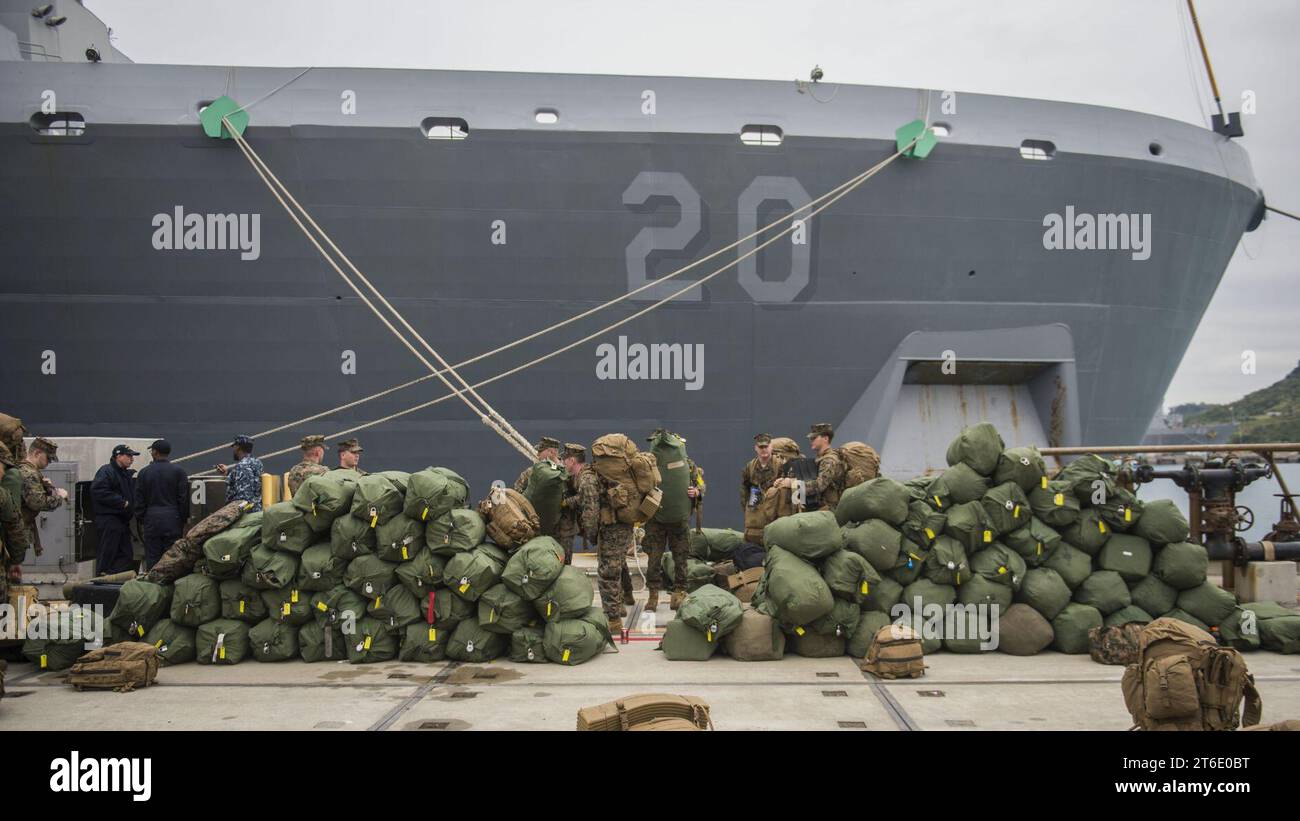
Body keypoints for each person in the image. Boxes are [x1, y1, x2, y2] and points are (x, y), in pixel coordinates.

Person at [578, 437, 637, 635]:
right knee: (619, 563)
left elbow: (590, 512)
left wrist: (592, 535)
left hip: (609, 527)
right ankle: (623, 601)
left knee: (607, 573)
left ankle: (613, 621)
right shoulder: (621, 472)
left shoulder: (590, 477)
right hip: (626, 524)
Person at [642, 429, 705, 611]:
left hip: (678, 521)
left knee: (681, 558)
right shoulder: (647, 465)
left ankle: (679, 592)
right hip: (656, 520)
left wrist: (698, 491)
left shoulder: (689, 464)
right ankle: (653, 594)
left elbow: (701, 484)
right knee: (654, 559)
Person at [133, 439, 189, 570]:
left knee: (152, 557)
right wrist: (182, 519)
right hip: (173, 519)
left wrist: (142, 518)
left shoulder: (144, 473)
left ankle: (154, 586)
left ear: (154, 452)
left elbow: (139, 500)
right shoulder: (179, 472)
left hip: (152, 519)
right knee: (172, 557)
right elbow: (183, 499)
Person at [90, 444, 139, 574]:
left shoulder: (124, 474)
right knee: (107, 553)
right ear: (118, 456)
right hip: (109, 520)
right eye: (129, 455)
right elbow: (98, 490)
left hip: (121, 521)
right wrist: (122, 503)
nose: (132, 459)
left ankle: (115, 580)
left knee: (126, 555)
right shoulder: (106, 471)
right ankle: (101, 582)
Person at [774, 423, 845, 512]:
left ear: (826, 438)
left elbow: (820, 485)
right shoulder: (820, 458)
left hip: (828, 509)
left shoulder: (829, 460)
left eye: (814, 438)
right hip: (816, 506)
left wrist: (793, 483)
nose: (811, 440)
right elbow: (808, 479)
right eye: (811, 438)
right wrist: (784, 481)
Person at [18, 437, 67, 559]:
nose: (48, 463)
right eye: (48, 458)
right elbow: (38, 503)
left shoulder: (27, 469)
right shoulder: (28, 473)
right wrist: (59, 497)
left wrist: (46, 488)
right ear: (37, 453)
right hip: (17, 530)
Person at [555, 443, 588, 565]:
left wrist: (565, 502)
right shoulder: (576, 476)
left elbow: (584, 497)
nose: (563, 463)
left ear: (572, 460)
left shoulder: (585, 477)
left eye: (565, 460)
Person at [215, 435, 264, 511]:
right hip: (257, 509)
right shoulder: (257, 462)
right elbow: (252, 481)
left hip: (246, 514)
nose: (233, 449)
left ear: (238, 447)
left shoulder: (242, 466)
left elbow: (244, 497)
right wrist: (228, 472)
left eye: (234, 446)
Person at [740, 433, 780, 515]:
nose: (763, 449)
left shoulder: (780, 464)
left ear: (771, 447)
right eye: (761, 447)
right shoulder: (750, 467)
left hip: (775, 511)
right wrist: (747, 509)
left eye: (766, 446)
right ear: (755, 448)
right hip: (756, 511)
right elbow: (744, 488)